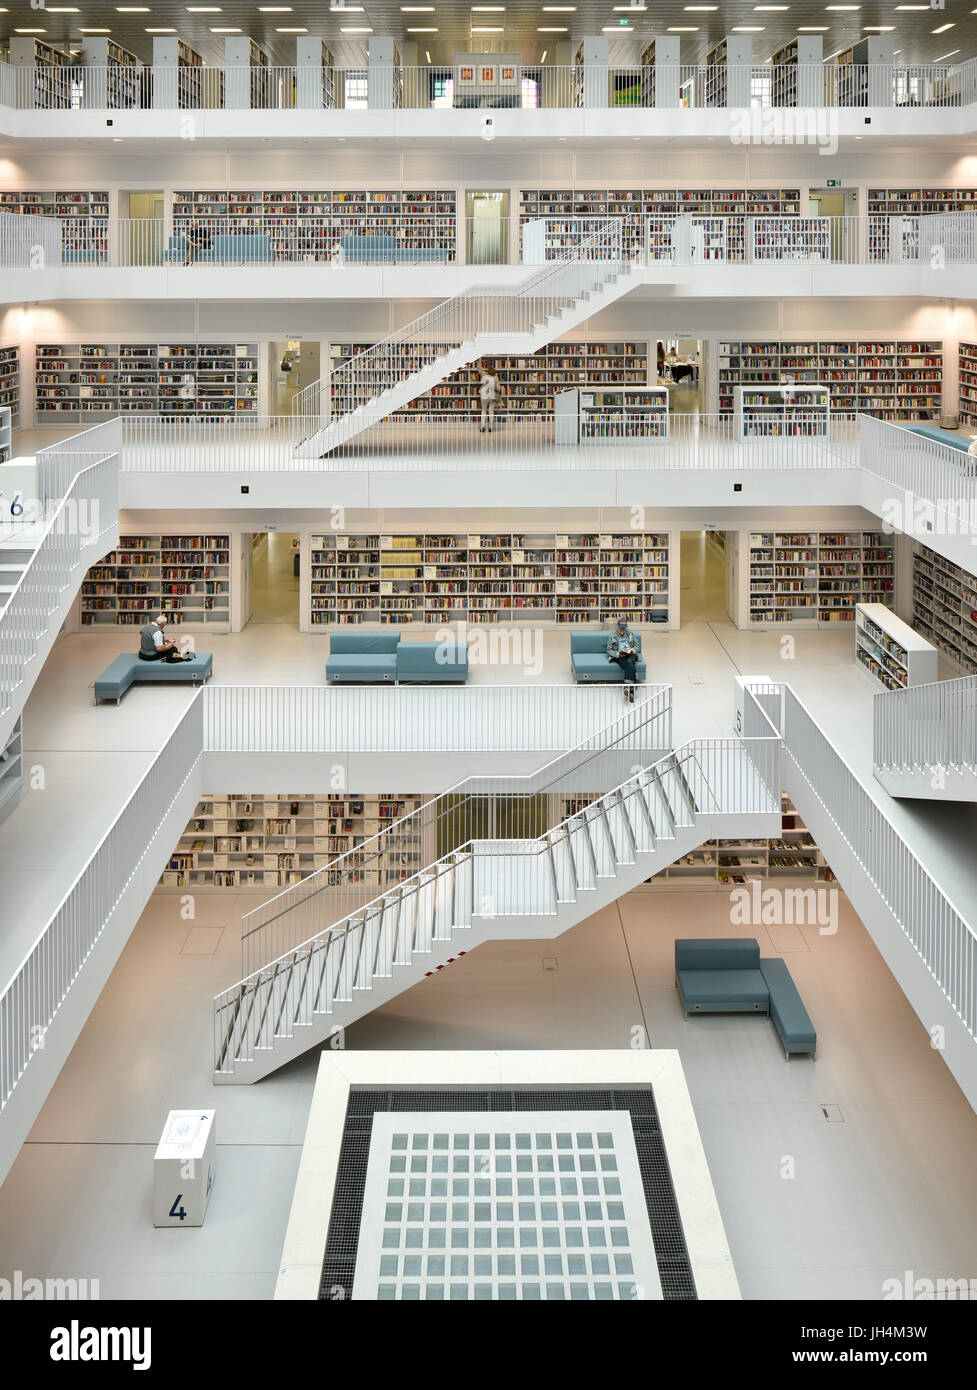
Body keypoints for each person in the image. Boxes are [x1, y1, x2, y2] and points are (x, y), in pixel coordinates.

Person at [607, 616, 639, 702]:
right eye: (621, 628)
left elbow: (637, 645)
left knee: (629, 661)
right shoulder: (612, 635)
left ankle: (627, 687)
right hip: (620, 655)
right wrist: (618, 654)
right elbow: (609, 650)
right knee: (630, 665)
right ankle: (631, 690)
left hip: (630, 654)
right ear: (617, 626)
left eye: (624, 628)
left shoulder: (630, 634)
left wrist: (633, 651)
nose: (622, 630)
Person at [478, 361, 502, 433]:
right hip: (492, 396)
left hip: (484, 395)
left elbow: (479, 369)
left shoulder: (484, 375)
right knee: (491, 411)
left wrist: (479, 361)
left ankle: (482, 427)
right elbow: (498, 388)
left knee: (483, 411)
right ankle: (490, 427)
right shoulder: (496, 377)